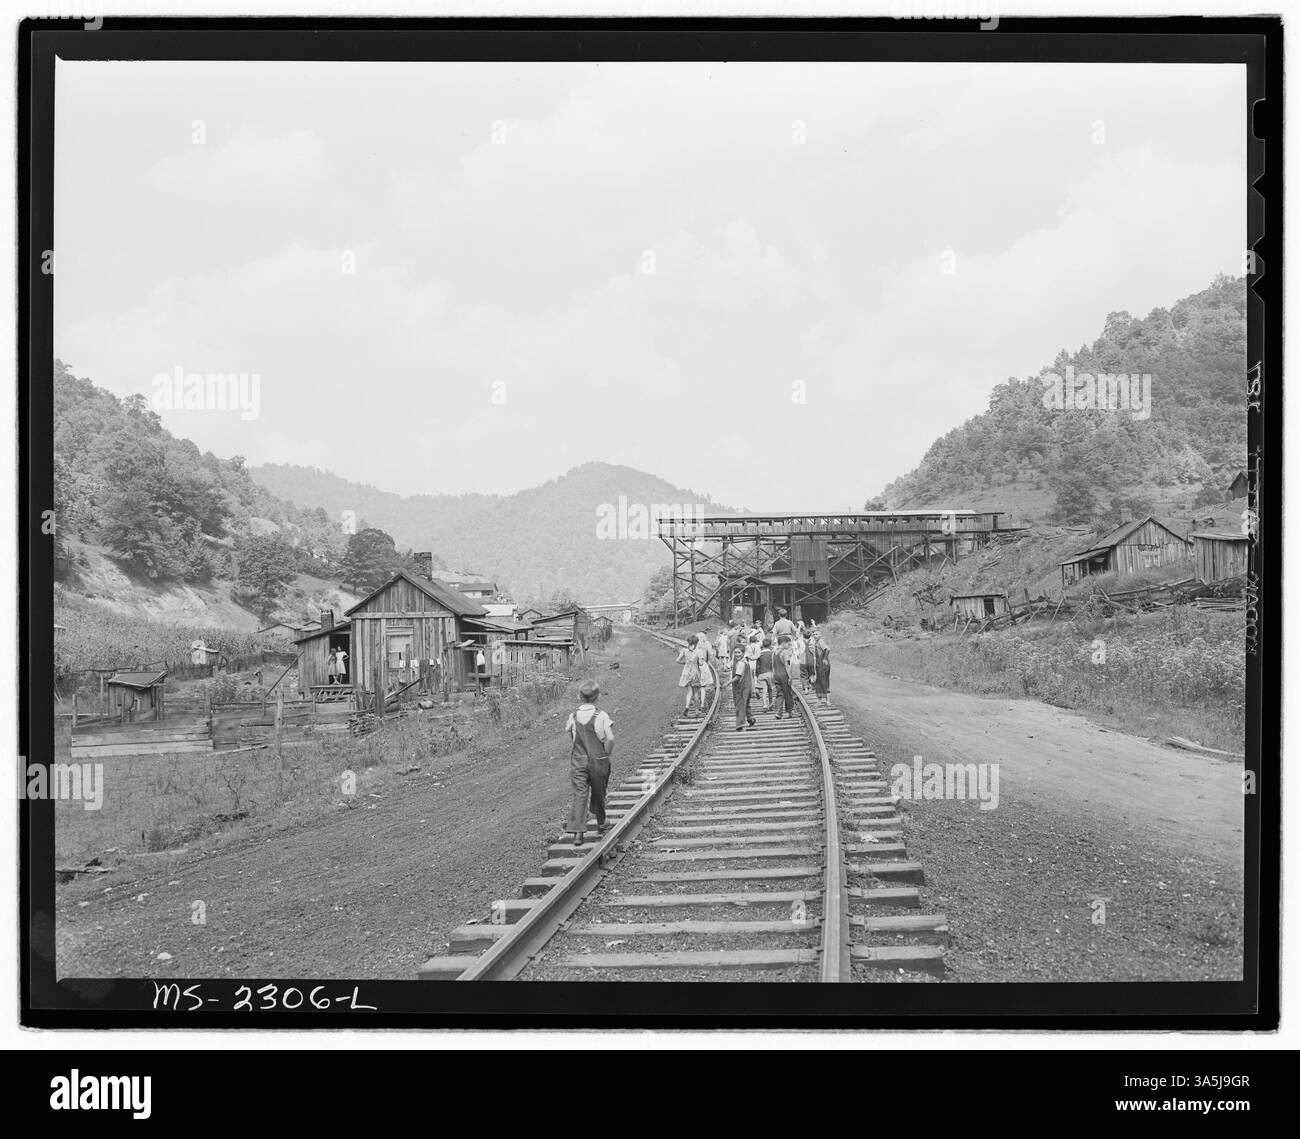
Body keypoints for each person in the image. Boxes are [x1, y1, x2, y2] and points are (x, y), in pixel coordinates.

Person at [563, 679, 615, 848]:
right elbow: (611, 738)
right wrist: (606, 753)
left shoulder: (573, 716)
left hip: (578, 759)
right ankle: (601, 823)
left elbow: (571, 735)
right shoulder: (601, 716)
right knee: (599, 792)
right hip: (598, 760)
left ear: (579, 696)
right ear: (598, 697)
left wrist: (577, 747)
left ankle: (578, 833)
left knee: (580, 793)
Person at [676, 634, 703, 716]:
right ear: (696, 643)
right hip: (695, 672)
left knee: (688, 691)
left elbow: (677, 660)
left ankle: (687, 707)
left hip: (686, 672)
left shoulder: (684, 650)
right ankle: (697, 710)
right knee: (696, 692)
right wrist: (698, 662)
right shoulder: (699, 651)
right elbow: (701, 664)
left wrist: (685, 663)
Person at [730, 644, 755, 731]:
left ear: (743, 653)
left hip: (741, 687)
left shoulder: (740, 663)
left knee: (740, 705)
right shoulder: (745, 662)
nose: (737, 654)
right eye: (735, 652)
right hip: (747, 687)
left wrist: (727, 683)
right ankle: (751, 718)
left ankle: (739, 724)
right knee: (746, 703)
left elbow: (737, 677)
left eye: (739, 652)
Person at [772, 635, 796, 719]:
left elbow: (773, 665)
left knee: (779, 694)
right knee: (788, 693)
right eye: (788, 644)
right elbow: (787, 665)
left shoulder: (774, 652)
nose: (789, 646)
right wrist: (790, 676)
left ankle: (778, 712)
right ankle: (790, 711)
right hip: (784, 675)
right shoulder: (785, 652)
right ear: (783, 643)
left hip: (776, 675)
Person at [811, 629, 832, 705]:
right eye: (814, 635)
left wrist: (824, 658)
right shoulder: (817, 642)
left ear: (820, 635)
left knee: (823, 681)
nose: (815, 636)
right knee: (820, 681)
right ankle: (821, 701)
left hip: (822, 665)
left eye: (816, 634)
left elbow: (827, 649)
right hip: (819, 664)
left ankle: (827, 700)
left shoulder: (820, 641)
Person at [755, 635, 775, 713]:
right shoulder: (772, 653)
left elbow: (757, 666)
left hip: (762, 674)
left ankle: (764, 705)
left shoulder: (760, 654)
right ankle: (771, 703)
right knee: (770, 690)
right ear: (770, 645)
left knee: (764, 690)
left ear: (762, 645)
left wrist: (757, 675)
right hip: (770, 673)